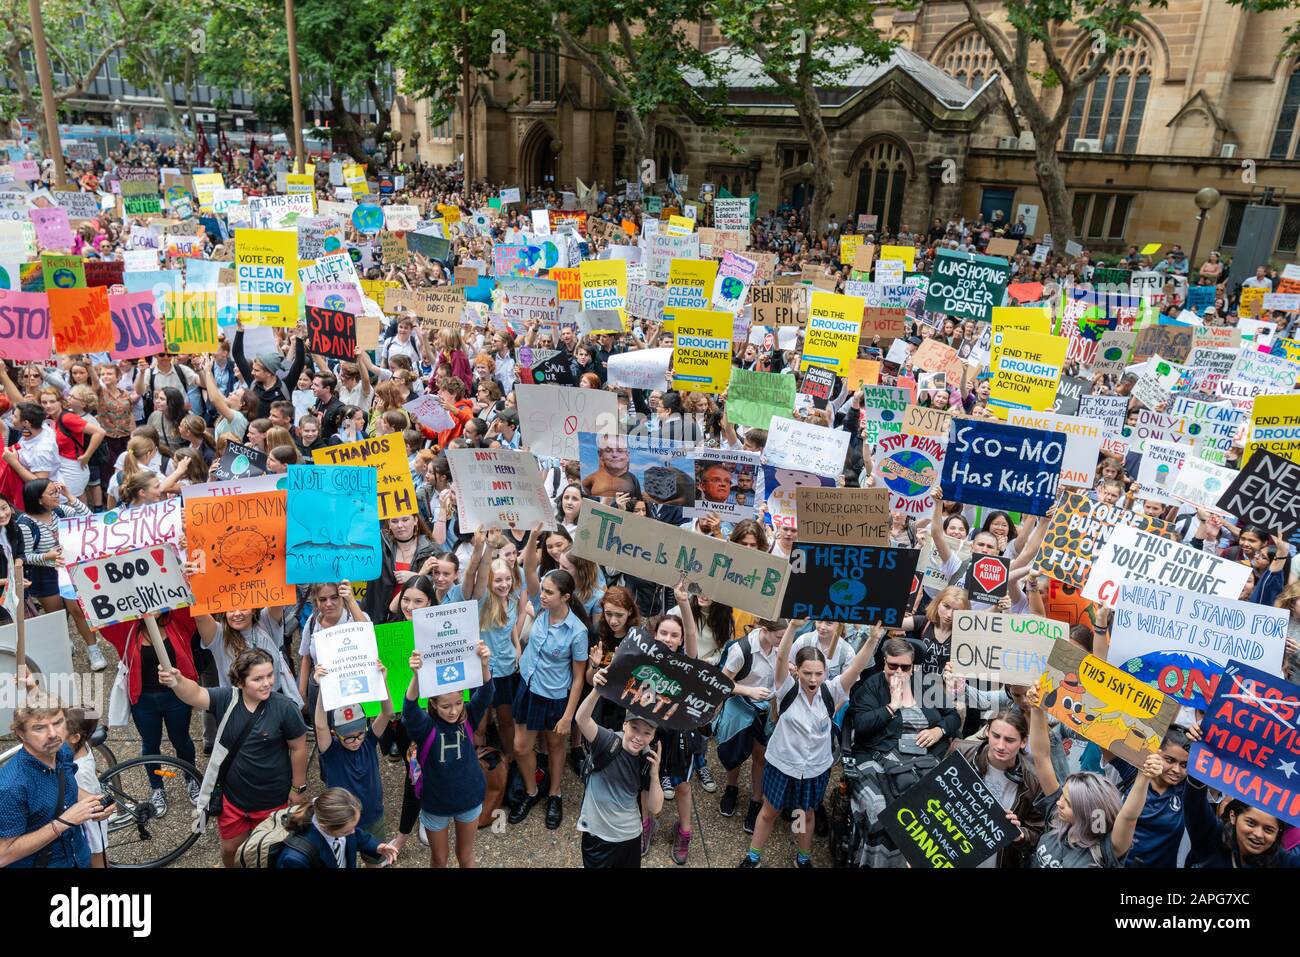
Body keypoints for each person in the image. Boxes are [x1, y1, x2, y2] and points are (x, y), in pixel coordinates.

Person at [740, 620, 879, 868]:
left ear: (826, 672)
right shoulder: (786, 689)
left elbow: (856, 668)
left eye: (818, 673)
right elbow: (781, 658)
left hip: (815, 767)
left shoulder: (832, 691)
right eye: (807, 673)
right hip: (782, 764)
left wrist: (872, 640)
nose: (813, 679)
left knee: (804, 813)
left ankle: (802, 857)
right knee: (770, 811)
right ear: (798, 671)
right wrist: (792, 627)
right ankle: (753, 856)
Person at [161, 647, 310, 867]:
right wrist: (177, 680)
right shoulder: (226, 699)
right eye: (258, 678)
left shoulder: (285, 708)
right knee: (230, 849)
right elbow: (194, 694)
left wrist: (298, 788)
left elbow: (298, 747)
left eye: (270, 675)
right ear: (240, 682)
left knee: (269, 852)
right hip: (233, 799)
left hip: (273, 799)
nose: (267, 682)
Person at [1023, 683, 1159, 867]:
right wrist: (1037, 708)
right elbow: (1042, 757)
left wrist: (1144, 776)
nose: (1058, 803)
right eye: (1063, 796)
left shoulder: (1104, 849)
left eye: (1068, 803)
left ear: (1086, 811)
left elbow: (1128, 816)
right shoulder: (1058, 817)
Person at [508, 568, 590, 829]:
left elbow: (578, 678)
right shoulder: (540, 610)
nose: (542, 595)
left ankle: (555, 793)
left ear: (565, 597)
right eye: (542, 589)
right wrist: (533, 535)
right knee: (521, 747)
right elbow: (529, 566)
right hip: (528, 687)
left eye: (548, 592)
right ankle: (532, 792)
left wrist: (568, 716)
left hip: (554, 696)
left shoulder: (577, 632)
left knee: (556, 747)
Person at [402, 642, 493, 867]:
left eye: (458, 703)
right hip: (435, 802)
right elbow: (409, 710)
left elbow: (486, 693)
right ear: (432, 703)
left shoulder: (468, 716)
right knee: (439, 859)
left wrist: (484, 665)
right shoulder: (425, 727)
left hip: (468, 798)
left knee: (466, 856)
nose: (453, 711)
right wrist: (416, 675)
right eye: (445, 706)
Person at [0, 690, 113, 868]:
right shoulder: (11, 786)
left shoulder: (63, 751)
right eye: (39, 728)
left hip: (79, 857)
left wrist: (93, 804)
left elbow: (67, 786)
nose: (53, 734)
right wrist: (63, 822)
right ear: (21, 734)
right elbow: (3, 855)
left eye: (58, 722)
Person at [574, 667, 663, 868]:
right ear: (624, 725)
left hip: (630, 836)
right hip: (598, 834)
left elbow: (655, 807)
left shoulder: (648, 757)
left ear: (653, 735)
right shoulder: (607, 741)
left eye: (647, 733)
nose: (639, 737)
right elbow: (581, 719)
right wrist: (597, 690)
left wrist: (655, 775)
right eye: (634, 728)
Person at [952, 709, 1045, 867]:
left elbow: (1038, 834)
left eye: (1009, 740)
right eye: (995, 736)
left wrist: (1019, 834)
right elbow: (931, 799)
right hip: (949, 854)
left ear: (1023, 742)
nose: (1000, 745)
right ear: (987, 732)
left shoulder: (1034, 781)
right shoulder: (961, 752)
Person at [275, 788, 398, 869]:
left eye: (354, 826)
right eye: (346, 831)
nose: (353, 832)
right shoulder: (294, 860)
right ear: (324, 827)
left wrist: (376, 846)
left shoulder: (337, 823)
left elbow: (356, 836)